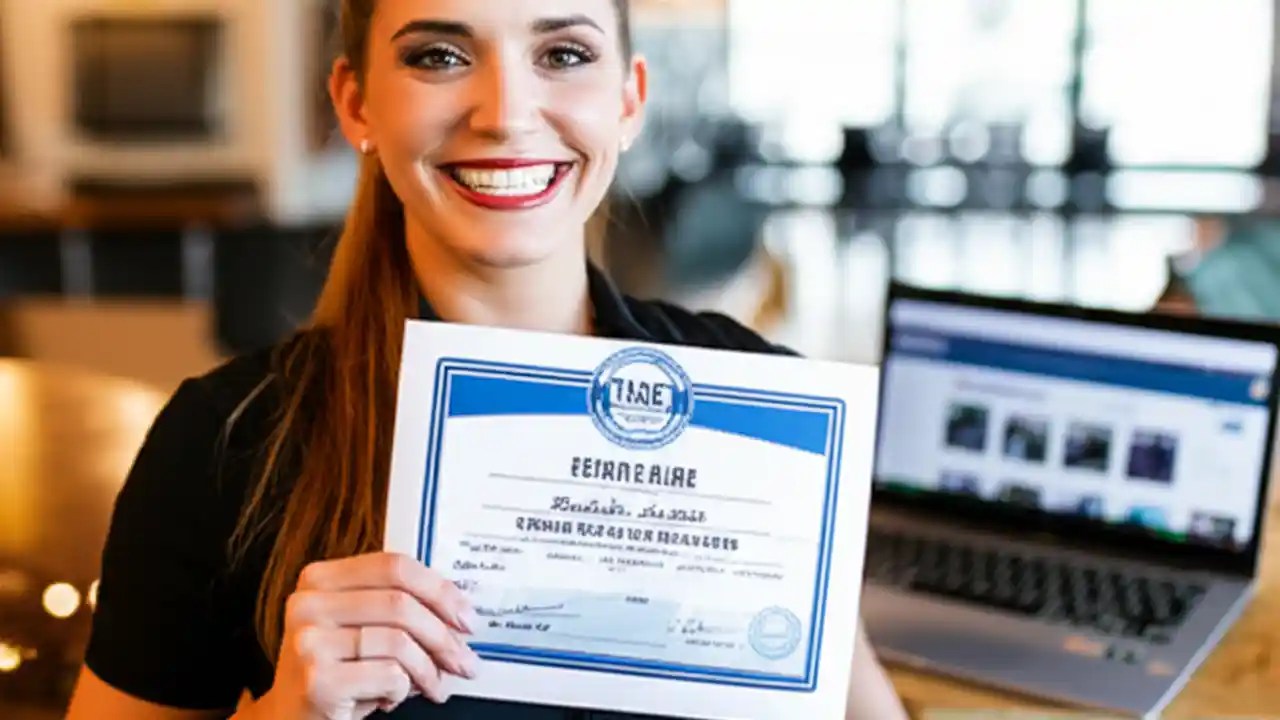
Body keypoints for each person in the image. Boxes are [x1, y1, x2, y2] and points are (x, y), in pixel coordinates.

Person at [64, 1, 911, 718]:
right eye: (439, 55)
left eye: (564, 54)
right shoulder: (224, 443)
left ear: (628, 99)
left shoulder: (765, 404)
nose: (506, 112)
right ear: (356, 105)